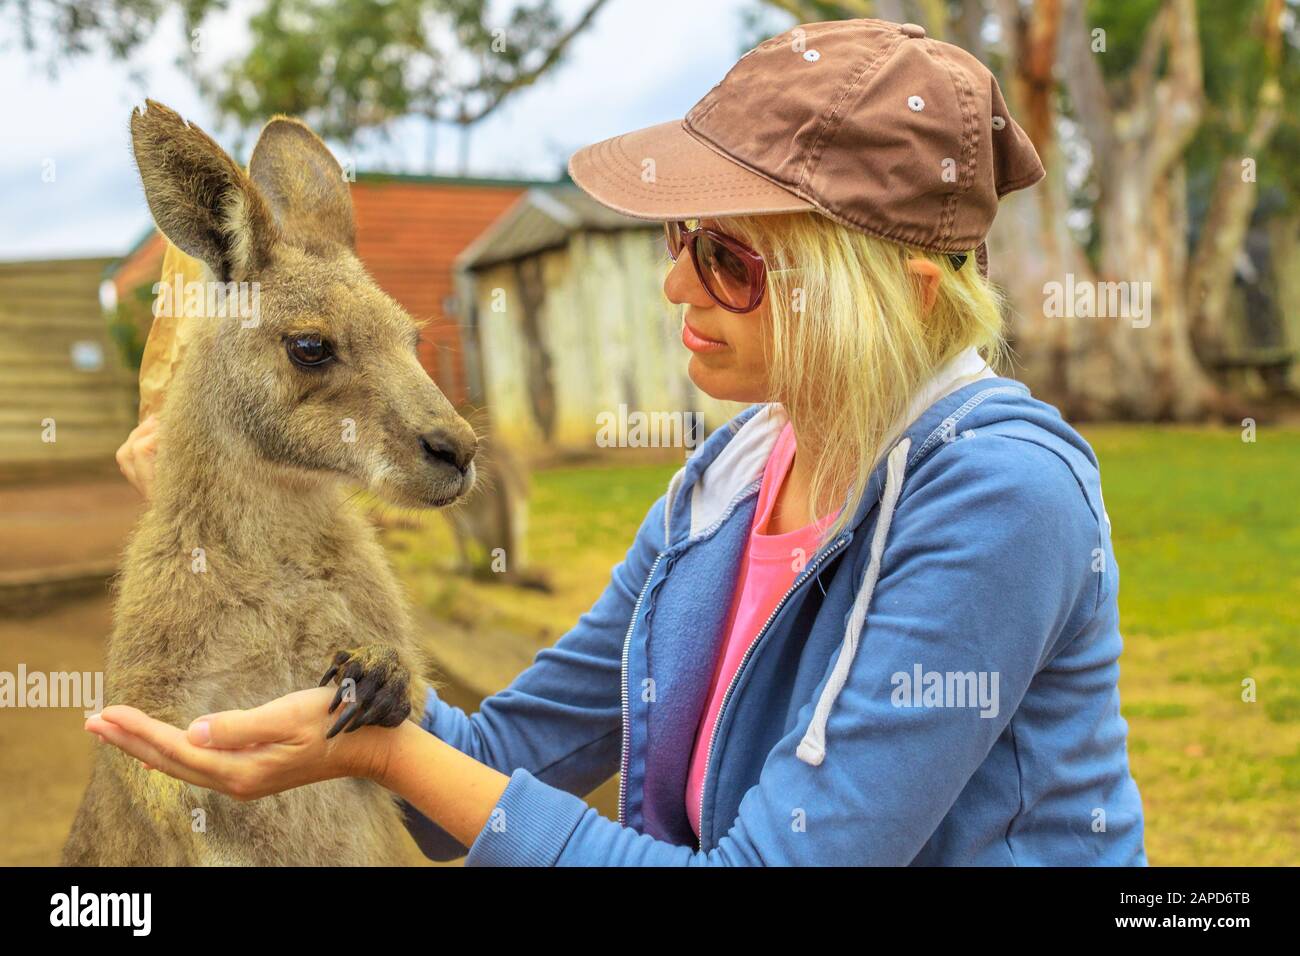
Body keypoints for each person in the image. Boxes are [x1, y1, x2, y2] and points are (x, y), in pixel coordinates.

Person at [91, 17, 1146, 865]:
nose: (676, 282)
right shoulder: (728, 480)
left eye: (731, 258)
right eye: (681, 239)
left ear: (902, 298)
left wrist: (392, 753)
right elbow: (509, 755)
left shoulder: (1001, 493)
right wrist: (303, 632)